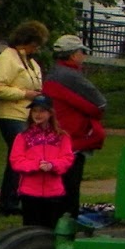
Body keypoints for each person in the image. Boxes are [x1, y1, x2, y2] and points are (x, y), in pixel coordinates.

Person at [43, 35, 107, 218]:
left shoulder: (54, 73)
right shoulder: (71, 76)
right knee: (70, 182)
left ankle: (57, 216)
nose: (83, 55)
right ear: (72, 55)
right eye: (81, 52)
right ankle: (67, 218)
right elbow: (100, 104)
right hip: (71, 135)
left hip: (56, 133)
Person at [0, 18, 48, 216]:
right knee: (20, 154)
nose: (36, 49)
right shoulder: (8, 58)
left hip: (27, 113)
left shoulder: (30, 61)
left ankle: (17, 197)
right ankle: (9, 201)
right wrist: (24, 94)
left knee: (24, 155)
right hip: (11, 113)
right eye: (34, 44)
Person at [9, 94, 73, 229]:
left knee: (51, 229)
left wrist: (52, 165)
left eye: (42, 111)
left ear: (50, 113)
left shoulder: (61, 136)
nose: (38, 114)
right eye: (34, 111)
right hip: (30, 192)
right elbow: (16, 160)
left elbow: (67, 158)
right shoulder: (23, 137)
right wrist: (36, 165)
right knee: (31, 229)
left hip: (54, 192)